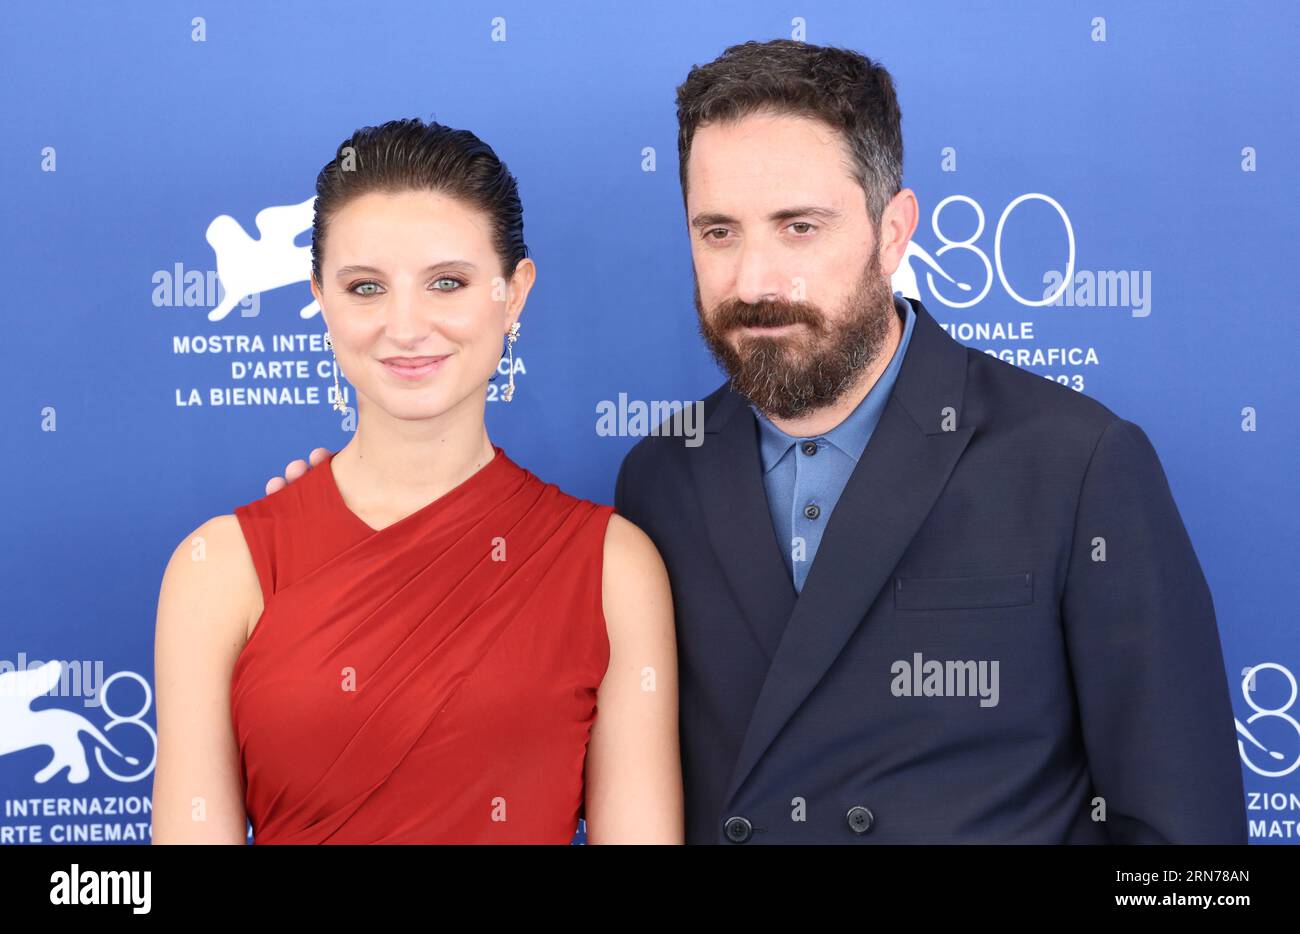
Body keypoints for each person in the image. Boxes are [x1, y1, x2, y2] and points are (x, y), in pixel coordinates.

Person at [264, 41, 1248, 845]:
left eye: (798, 226)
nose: (754, 276)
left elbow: (1186, 849)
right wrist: (363, 532)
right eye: (718, 230)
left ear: (894, 228)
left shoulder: (1072, 463)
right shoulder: (660, 476)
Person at [151, 118, 682, 844]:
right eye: (366, 286)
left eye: (447, 283)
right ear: (321, 300)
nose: (405, 326)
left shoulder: (613, 567)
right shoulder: (217, 569)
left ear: (514, 294)